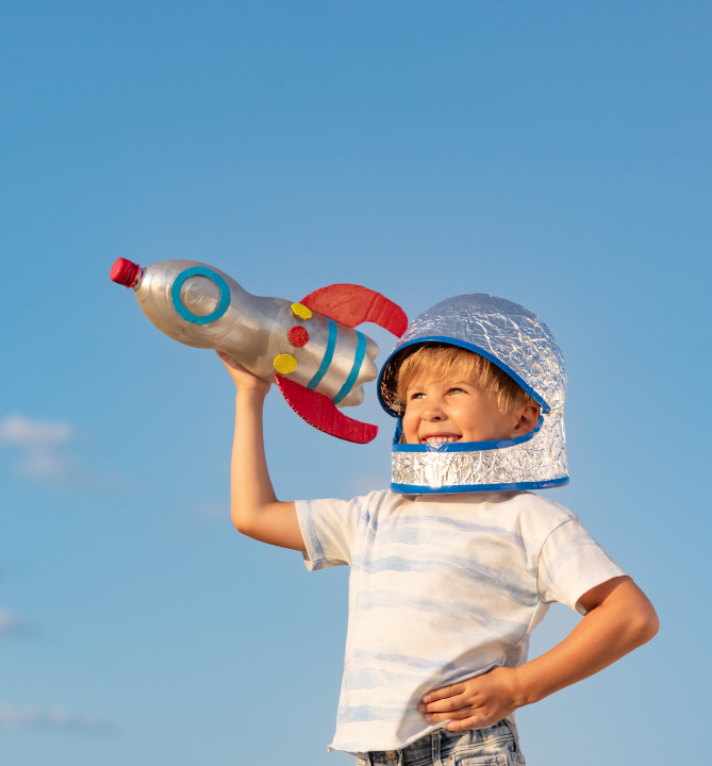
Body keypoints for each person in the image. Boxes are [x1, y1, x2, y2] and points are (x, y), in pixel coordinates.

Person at [218, 294, 658, 765]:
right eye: (416, 397)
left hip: (466, 749)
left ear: (523, 417)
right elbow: (254, 513)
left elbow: (630, 615)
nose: (430, 409)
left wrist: (519, 686)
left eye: (456, 392)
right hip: (375, 755)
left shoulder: (528, 519)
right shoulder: (374, 515)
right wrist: (251, 393)